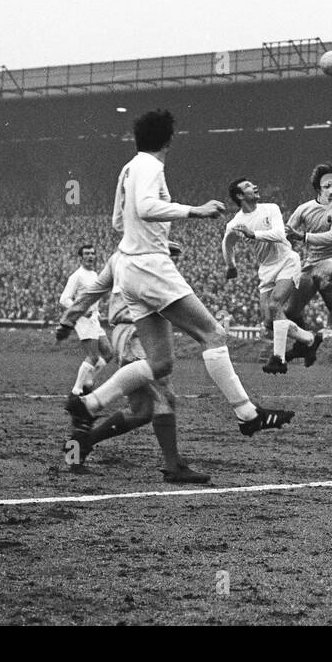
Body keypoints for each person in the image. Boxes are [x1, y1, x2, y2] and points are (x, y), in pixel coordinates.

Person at [63, 110, 294, 447]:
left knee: (159, 362)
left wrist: (153, 237)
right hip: (150, 267)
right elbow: (144, 208)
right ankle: (247, 414)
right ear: (168, 138)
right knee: (213, 334)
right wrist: (194, 211)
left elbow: (118, 222)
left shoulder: (128, 168)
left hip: (128, 267)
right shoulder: (151, 167)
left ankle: (87, 404)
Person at [56, 242, 208, 483]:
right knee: (163, 395)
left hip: (125, 332)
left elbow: (94, 290)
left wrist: (68, 320)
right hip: (138, 332)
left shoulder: (118, 257)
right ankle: (173, 466)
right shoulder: (142, 257)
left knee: (142, 411)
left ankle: (82, 443)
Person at [223, 177, 323, 374]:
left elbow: (280, 234)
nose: (255, 186)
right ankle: (310, 340)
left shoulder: (271, 208)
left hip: (287, 260)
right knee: (269, 321)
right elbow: (227, 243)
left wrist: (254, 234)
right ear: (240, 195)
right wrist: (231, 265)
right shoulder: (235, 223)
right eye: (249, 186)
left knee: (274, 304)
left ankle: (279, 359)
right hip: (266, 269)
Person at [285, 164, 332, 350]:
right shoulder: (304, 209)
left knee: (320, 276)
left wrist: (303, 236)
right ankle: (310, 339)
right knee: (290, 311)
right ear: (317, 188)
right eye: (327, 186)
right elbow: (286, 233)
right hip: (311, 263)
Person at [59, 243, 107, 396]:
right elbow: (64, 299)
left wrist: (96, 311)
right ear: (80, 258)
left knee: (109, 353)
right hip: (83, 319)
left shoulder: (94, 274)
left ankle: (88, 382)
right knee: (93, 356)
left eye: (92, 253)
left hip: (94, 318)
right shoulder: (77, 276)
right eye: (86, 254)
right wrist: (80, 310)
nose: (90, 256)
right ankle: (76, 391)